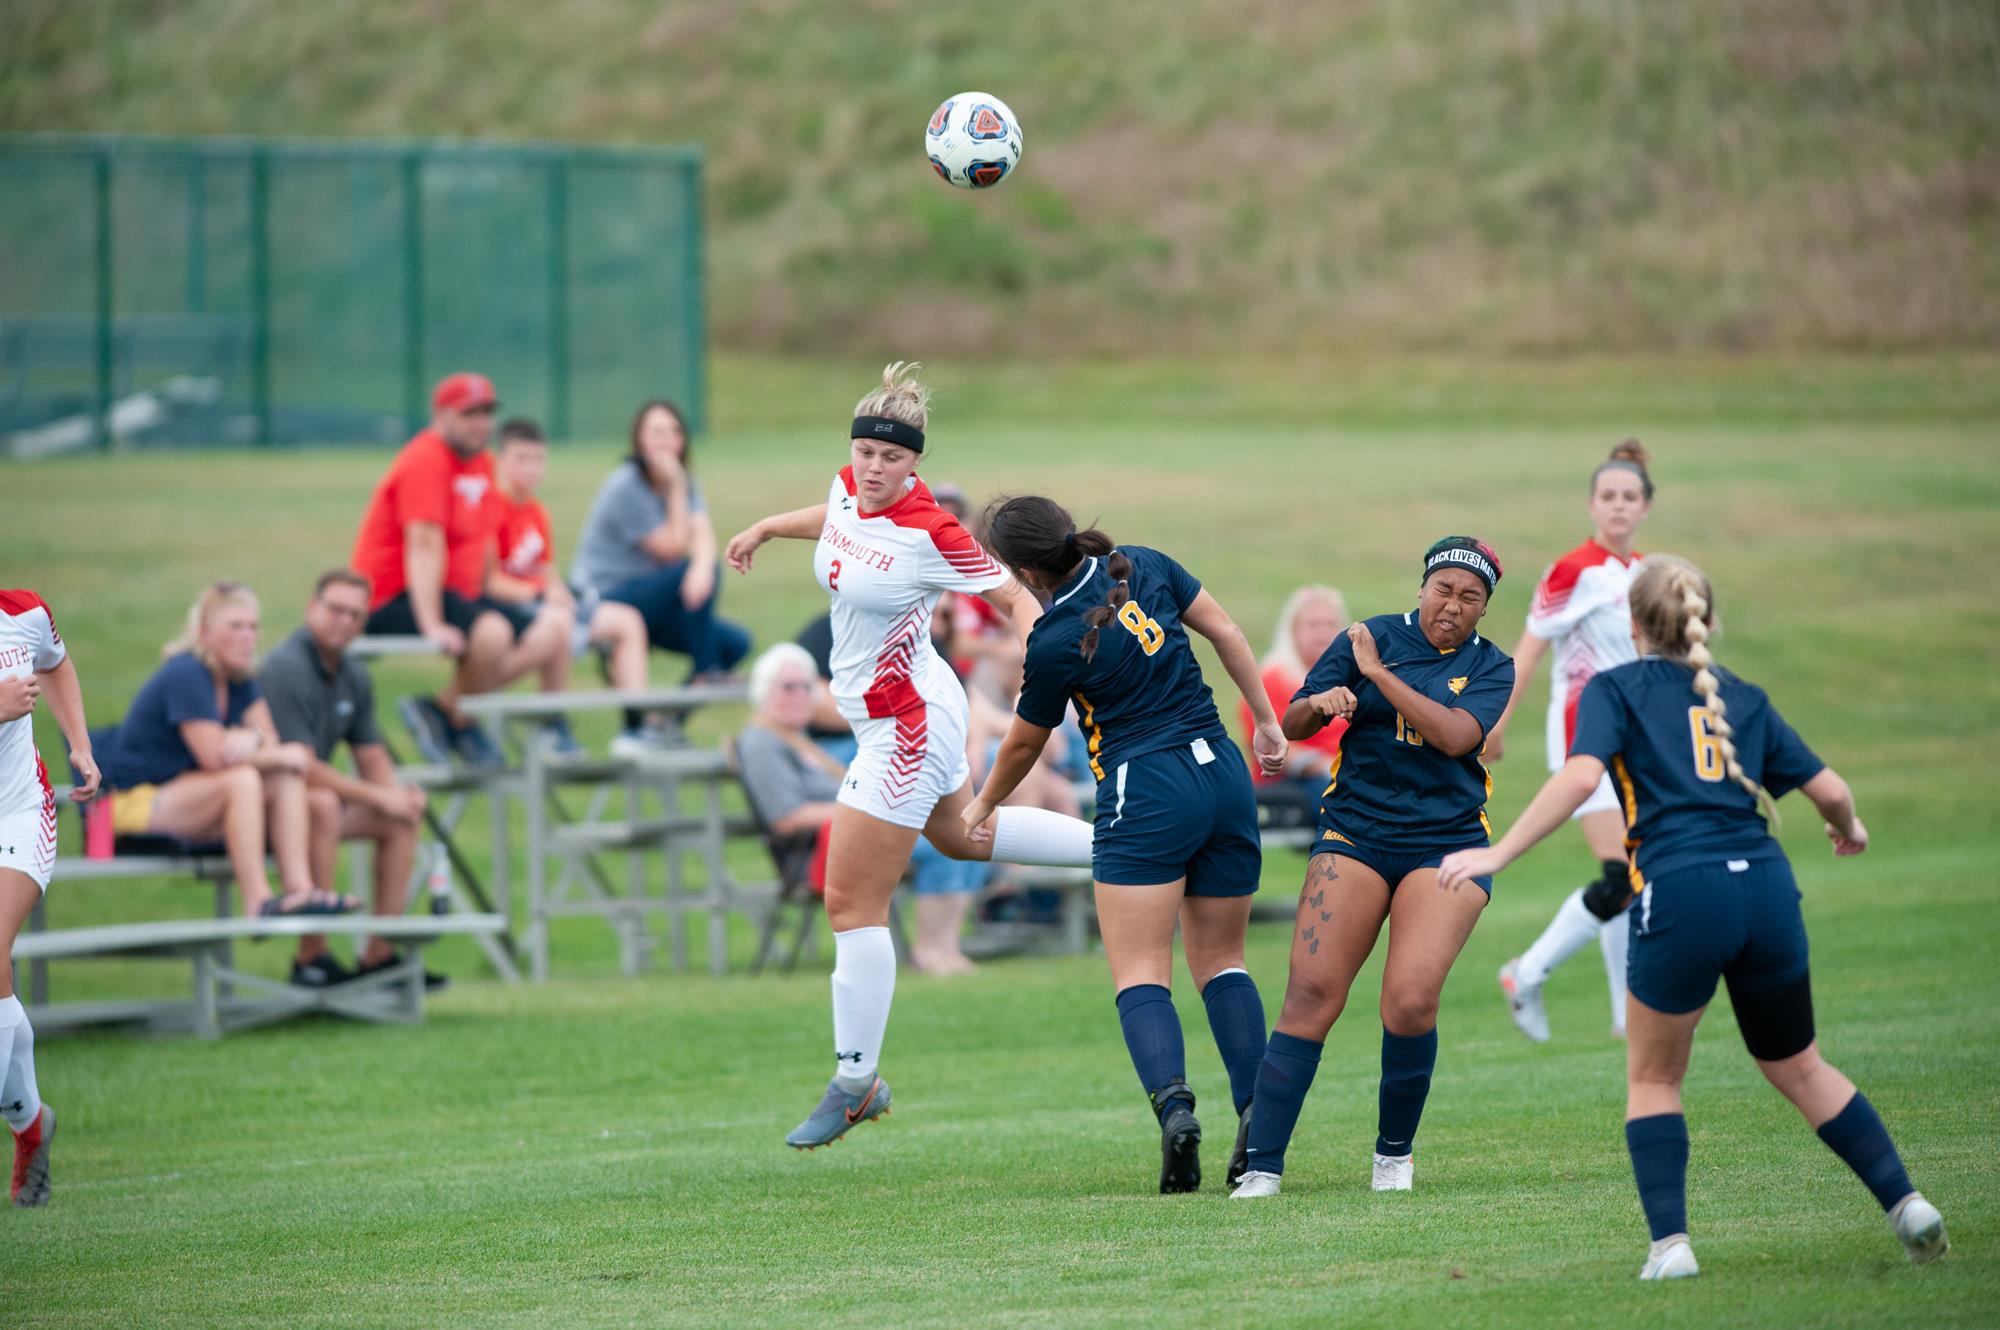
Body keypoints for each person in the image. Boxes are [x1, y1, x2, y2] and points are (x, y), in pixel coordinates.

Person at [1438, 556, 1948, 1279]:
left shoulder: (1615, 688)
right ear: (1707, 622)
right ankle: (1908, 1205)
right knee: (1801, 1066)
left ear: (1633, 624)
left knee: (1654, 1079)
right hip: (1767, 886)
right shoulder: (1743, 696)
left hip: (1681, 890)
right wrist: (1850, 828)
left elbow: (1580, 777)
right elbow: (1831, 791)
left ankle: (1671, 1248)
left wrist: (1498, 853)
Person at [723, 361, 1095, 1150]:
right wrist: (764, 527)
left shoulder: (932, 532)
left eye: (890, 457)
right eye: (864, 451)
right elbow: (831, 521)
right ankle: (1127, 848)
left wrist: (1045, 661)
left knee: (848, 904)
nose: (873, 467)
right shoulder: (846, 492)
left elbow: (1013, 595)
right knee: (960, 836)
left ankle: (855, 1084)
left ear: (914, 463)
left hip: (908, 724)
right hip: (891, 716)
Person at [967, 495, 1287, 1193]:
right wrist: (1266, 720)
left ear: (1026, 571)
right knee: (1223, 961)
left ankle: (1176, 1111)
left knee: (1141, 971)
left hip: (1146, 787)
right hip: (1223, 770)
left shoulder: (1054, 638)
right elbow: (1226, 630)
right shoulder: (1140, 563)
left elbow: (1023, 743)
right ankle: (1258, 1113)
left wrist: (984, 803)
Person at [1232, 537, 1514, 1200]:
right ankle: (1262, 1166)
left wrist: (1377, 678)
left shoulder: (1491, 666)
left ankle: (1393, 1156)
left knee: (1410, 1001)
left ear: (1483, 608)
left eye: (1469, 597)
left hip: (1447, 844)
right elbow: (1293, 723)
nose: (1452, 605)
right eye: (1443, 589)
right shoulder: (1367, 636)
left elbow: (1455, 736)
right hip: (1354, 833)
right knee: (1310, 994)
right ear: (1422, 588)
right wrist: (1322, 702)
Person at [1488, 441, 1654, 1042]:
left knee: (1634, 878)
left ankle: (1625, 1015)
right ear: (1592, 505)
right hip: (1585, 740)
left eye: (1629, 496)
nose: (1618, 505)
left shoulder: (1646, 574)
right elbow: (1529, 649)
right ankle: (1527, 972)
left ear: (1645, 505)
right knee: (1623, 875)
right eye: (1608, 496)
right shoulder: (1572, 570)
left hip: (1636, 744)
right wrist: (1497, 722)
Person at [97, 582, 356, 919]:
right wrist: (278, 751)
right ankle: (258, 901)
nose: (247, 637)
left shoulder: (239, 679)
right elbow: (215, 757)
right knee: (244, 779)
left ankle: (300, 890)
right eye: (235, 627)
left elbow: (270, 741)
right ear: (205, 632)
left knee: (285, 777)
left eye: (253, 627)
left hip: (188, 795)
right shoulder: (187, 672)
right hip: (128, 802)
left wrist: (253, 739)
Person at [351, 372, 569, 766]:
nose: (481, 423)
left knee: (550, 632)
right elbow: (423, 544)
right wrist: (432, 623)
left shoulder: (482, 463)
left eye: (486, 413)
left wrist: (516, 591)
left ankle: (445, 709)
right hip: (393, 594)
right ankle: (460, 719)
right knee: (493, 632)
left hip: (454, 593)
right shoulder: (426, 458)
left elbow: (481, 546)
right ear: (442, 414)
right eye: (469, 413)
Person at [258, 569, 442, 991]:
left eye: (355, 615)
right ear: (312, 608)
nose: (344, 621)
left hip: (309, 804)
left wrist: (397, 797)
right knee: (322, 805)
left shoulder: (353, 673)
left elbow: (371, 754)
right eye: (335, 610)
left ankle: (380, 956)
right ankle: (312, 957)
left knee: (398, 819)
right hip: (263, 810)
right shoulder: (287, 668)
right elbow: (300, 766)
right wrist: (379, 796)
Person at [0, 590, 96, 1206]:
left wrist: (78, 744)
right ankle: (30, 1123)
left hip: (19, 812)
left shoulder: (24, 611)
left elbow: (56, 663)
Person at [485, 417, 656, 755]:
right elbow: (488, 581)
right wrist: (539, 593)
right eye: (521, 459)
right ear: (501, 461)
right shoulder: (491, 509)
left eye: (538, 459)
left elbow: (545, 569)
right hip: (514, 609)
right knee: (559, 621)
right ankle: (552, 724)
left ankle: (637, 728)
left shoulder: (536, 513)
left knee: (627, 620)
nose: (531, 468)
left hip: (546, 604)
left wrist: (558, 590)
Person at [572, 399, 752, 694]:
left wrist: (703, 566)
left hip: (652, 597)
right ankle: (705, 671)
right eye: (656, 432)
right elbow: (672, 548)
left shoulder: (684, 479)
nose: (666, 440)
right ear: (639, 440)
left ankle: (672, 715)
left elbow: (702, 534)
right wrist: (677, 486)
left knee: (735, 644)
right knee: (689, 570)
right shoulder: (627, 485)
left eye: (674, 432)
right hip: (604, 596)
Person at [1239, 585, 1350, 829]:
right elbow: (1269, 745)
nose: (1322, 633)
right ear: (1293, 631)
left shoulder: (1352, 676)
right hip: (1292, 780)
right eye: (1313, 625)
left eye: (1330, 624)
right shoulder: (1273, 680)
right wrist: (1323, 765)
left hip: (1343, 772)